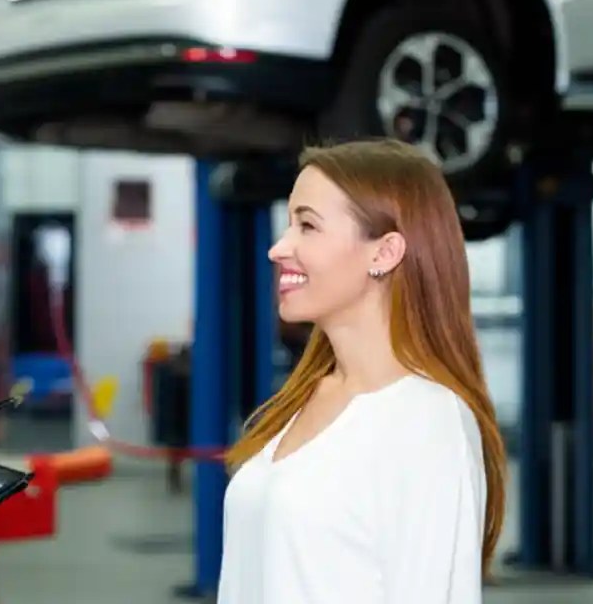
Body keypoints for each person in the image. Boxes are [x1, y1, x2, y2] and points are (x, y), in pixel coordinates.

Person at [217, 138, 507, 604]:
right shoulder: (306, 396)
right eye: (288, 224)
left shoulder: (428, 420)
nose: (278, 248)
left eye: (308, 225)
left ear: (384, 252)